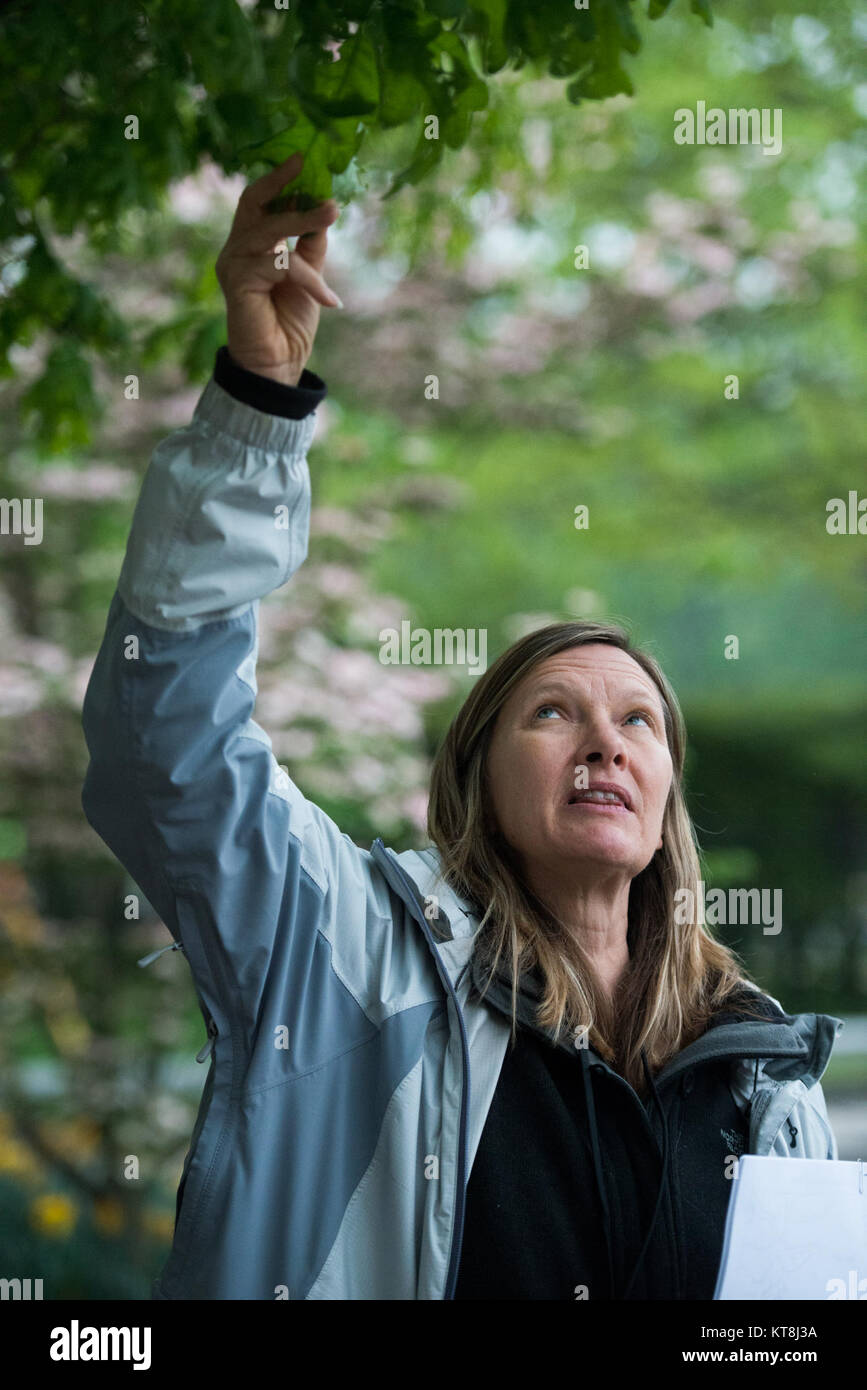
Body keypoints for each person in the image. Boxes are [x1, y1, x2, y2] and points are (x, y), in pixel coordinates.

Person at [80, 153, 842, 1301]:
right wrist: (255, 407)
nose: (607, 740)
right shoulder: (343, 960)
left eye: (639, 720)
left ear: (667, 794)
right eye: (555, 711)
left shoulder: (765, 1075)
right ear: (476, 777)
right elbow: (168, 746)